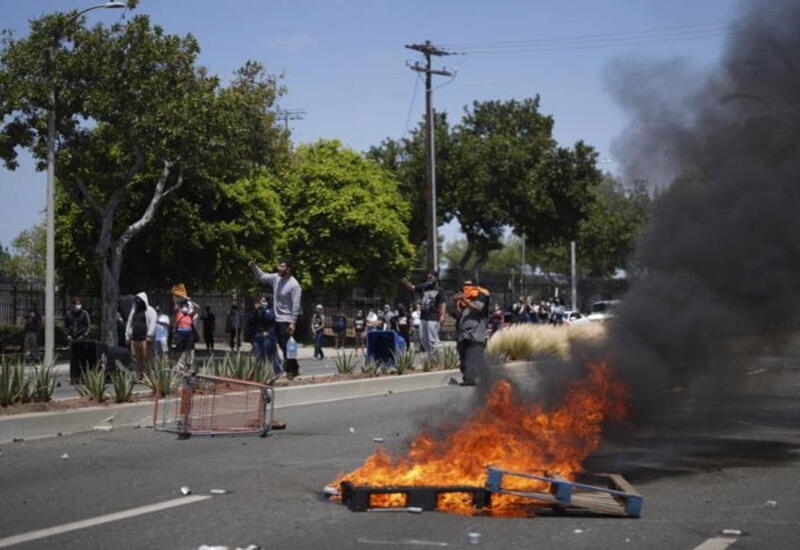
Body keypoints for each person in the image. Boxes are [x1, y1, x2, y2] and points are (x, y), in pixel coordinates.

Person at [249, 258, 302, 379]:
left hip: (286, 319)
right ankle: (295, 368)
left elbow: (296, 305)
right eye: (279, 266)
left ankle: (290, 372)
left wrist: (293, 322)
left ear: (288, 269)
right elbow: (262, 276)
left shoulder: (294, 285)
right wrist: (253, 266)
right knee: (281, 345)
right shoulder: (276, 278)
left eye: (282, 267)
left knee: (284, 345)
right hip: (276, 319)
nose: (279, 268)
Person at [451, 280, 490, 386]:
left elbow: (477, 309)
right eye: (464, 285)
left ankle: (480, 378)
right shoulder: (463, 299)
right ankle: (468, 378)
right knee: (463, 356)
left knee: (474, 355)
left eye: (468, 285)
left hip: (476, 333)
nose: (466, 287)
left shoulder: (481, 295)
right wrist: (456, 302)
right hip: (463, 333)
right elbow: (457, 315)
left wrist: (464, 299)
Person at [402, 271, 445, 355]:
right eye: (428, 278)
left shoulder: (439, 290)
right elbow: (412, 287)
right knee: (423, 338)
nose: (429, 279)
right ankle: (431, 355)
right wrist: (405, 282)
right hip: (423, 316)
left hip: (433, 317)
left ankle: (434, 358)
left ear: (436, 278)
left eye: (431, 277)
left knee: (432, 339)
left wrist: (442, 315)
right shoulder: (423, 287)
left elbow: (442, 303)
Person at [125, 292, 157, 379]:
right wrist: (127, 335)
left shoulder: (150, 311)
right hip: (134, 338)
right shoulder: (134, 311)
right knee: (136, 358)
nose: (138, 302)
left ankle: (148, 376)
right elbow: (129, 323)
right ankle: (138, 375)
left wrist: (149, 335)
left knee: (146, 357)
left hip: (145, 339)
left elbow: (152, 323)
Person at [249, 295, 281, 377]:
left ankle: (278, 372)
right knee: (259, 356)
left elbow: (270, 318)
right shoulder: (257, 311)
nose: (263, 303)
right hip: (259, 336)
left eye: (264, 301)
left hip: (269, 336)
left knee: (273, 356)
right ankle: (260, 374)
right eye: (261, 301)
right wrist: (256, 310)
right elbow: (251, 320)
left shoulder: (271, 310)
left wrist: (263, 311)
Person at [173, 298, 198, 371]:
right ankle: (178, 365)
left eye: (186, 306)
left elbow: (197, 308)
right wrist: (184, 299)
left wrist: (190, 300)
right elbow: (176, 305)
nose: (185, 307)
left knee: (188, 350)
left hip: (189, 333)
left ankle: (188, 365)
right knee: (179, 350)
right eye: (184, 306)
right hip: (180, 333)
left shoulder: (191, 315)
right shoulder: (179, 313)